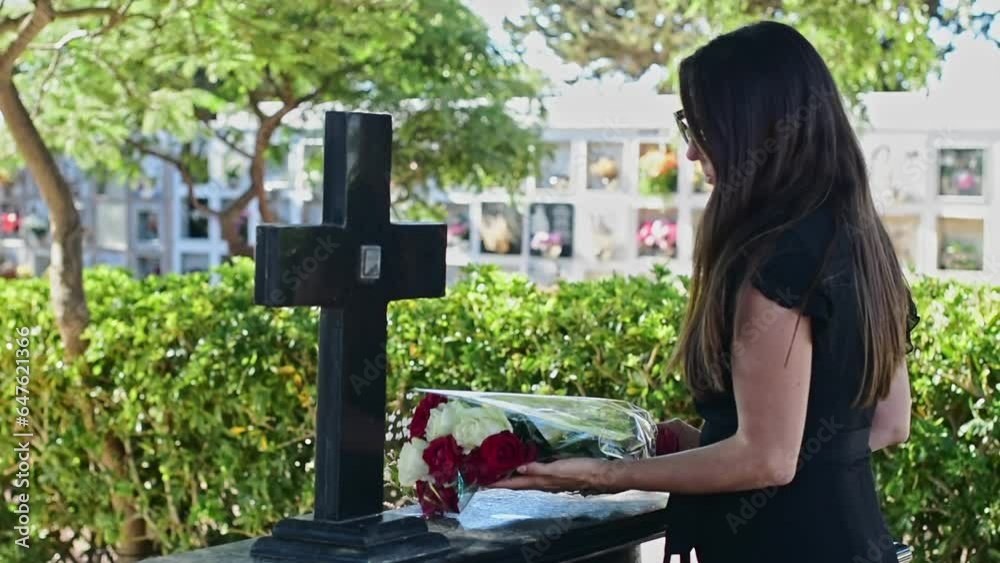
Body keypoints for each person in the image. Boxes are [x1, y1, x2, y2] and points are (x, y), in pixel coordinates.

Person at [491, 21, 920, 563]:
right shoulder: (863, 244)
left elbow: (767, 459)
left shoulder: (775, 256)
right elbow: (886, 424)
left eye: (700, 127)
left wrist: (604, 474)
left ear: (753, 130)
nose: (692, 152)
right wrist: (703, 442)